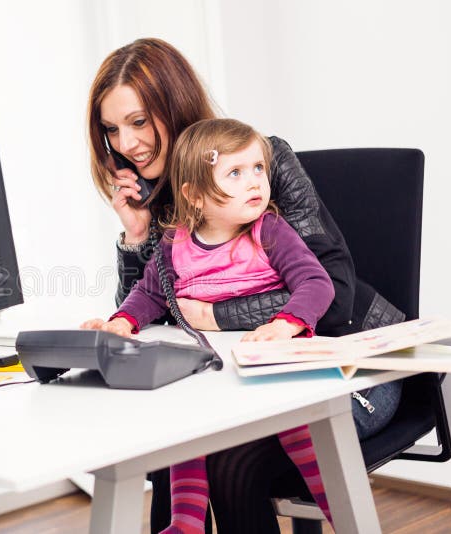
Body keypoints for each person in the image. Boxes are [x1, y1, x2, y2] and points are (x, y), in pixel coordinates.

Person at [86, 37, 404, 533]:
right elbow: (158, 307)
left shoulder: (264, 170)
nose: (126, 145)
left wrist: (217, 317)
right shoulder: (172, 212)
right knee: (172, 444)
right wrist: (137, 233)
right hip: (251, 376)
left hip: (351, 362)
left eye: (139, 121)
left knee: (223, 457)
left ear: (174, 106)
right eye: (112, 129)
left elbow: (332, 292)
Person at [84, 117, 340, 533]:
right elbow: (149, 293)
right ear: (195, 195)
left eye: (258, 169)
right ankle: (185, 522)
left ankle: (341, 512)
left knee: (299, 434)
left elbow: (316, 282)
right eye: (236, 173)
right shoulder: (176, 243)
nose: (255, 182)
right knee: (185, 422)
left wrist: (285, 323)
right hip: (219, 368)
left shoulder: (268, 231)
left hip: (269, 361)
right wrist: (122, 322)